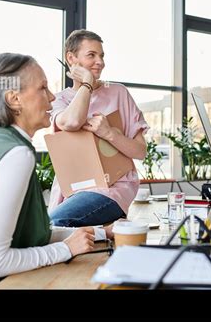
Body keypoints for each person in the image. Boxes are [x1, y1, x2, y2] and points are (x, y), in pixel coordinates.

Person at [0, 53, 113, 279]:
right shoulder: (17, 155)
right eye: (43, 88)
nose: (52, 97)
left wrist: (102, 232)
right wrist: (66, 249)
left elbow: (29, 234)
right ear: (14, 99)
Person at [48, 29, 149, 227]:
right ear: (71, 58)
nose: (100, 62)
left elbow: (140, 151)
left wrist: (110, 133)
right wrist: (87, 83)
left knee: (56, 223)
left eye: (101, 55)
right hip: (71, 191)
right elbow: (71, 123)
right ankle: (108, 232)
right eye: (91, 55)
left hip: (113, 187)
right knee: (50, 232)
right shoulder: (59, 100)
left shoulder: (118, 92)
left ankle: (108, 229)